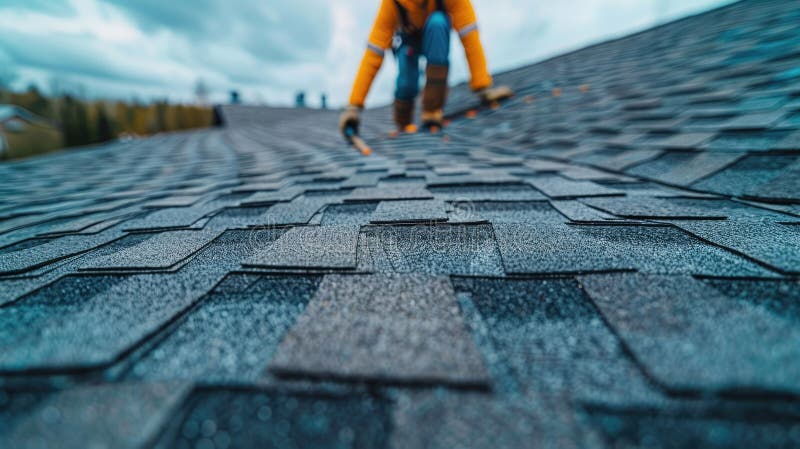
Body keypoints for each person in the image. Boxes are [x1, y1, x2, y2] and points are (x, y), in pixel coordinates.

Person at [338, 0, 513, 138]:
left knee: (438, 23)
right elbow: (373, 54)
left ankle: (432, 113)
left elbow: (470, 36)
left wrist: (483, 87)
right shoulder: (391, 4)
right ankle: (403, 122)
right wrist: (354, 106)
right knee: (407, 81)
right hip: (408, 43)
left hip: (435, 37)